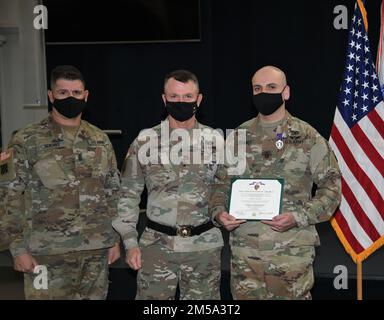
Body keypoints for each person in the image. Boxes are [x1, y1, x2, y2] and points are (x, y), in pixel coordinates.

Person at [211, 66, 341, 300]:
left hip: (290, 254)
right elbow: (220, 185)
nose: (264, 93)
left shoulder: (307, 136)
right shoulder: (238, 136)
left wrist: (298, 217)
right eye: (257, 89)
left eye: (271, 87)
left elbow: (331, 190)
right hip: (245, 255)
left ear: (286, 92)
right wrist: (219, 213)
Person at [4, 65, 121, 299]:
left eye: (76, 93)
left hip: (95, 251)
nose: (70, 98)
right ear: (51, 95)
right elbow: (10, 197)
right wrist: (17, 249)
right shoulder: (26, 139)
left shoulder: (100, 139)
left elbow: (112, 193)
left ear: (85, 96)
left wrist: (114, 239)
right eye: (63, 93)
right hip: (46, 253)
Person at [113, 69, 224, 300]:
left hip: (203, 249)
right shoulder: (144, 141)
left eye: (187, 97)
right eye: (174, 97)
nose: (180, 102)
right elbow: (127, 195)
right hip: (156, 248)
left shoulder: (216, 141)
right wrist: (130, 242)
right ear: (164, 99)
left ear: (199, 99)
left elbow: (224, 188)